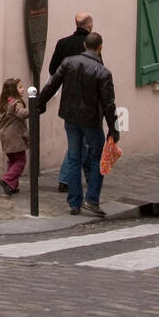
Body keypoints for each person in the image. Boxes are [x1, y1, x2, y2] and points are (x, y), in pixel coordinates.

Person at [37, 31, 118, 217]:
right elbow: (109, 104)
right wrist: (114, 129)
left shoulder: (68, 63)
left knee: (74, 158)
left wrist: (40, 103)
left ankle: (74, 202)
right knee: (98, 157)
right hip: (91, 120)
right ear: (100, 48)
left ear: (84, 46)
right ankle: (91, 200)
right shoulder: (103, 72)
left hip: (70, 117)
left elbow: (52, 84)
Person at [48, 12, 94, 194]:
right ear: (89, 26)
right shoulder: (90, 45)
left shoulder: (63, 43)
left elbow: (53, 69)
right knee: (86, 143)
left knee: (79, 142)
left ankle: (71, 179)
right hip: (87, 102)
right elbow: (97, 72)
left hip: (68, 101)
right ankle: (72, 178)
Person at [0, 76, 29, 196]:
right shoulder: (16, 103)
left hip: (5, 137)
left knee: (12, 161)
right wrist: (33, 109)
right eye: (20, 87)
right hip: (15, 137)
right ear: (13, 91)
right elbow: (21, 113)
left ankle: (12, 186)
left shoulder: (5, 102)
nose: (23, 89)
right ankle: (7, 180)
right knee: (20, 161)